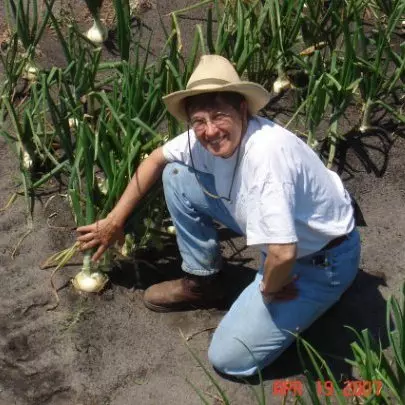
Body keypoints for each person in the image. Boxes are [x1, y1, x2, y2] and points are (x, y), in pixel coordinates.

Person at [76, 54, 361, 377]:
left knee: (228, 357)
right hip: (282, 237)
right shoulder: (203, 139)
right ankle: (203, 281)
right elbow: (155, 160)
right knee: (177, 176)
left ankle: (321, 297)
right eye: (199, 121)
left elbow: (283, 253)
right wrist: (115, 221)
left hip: (318, 261)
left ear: (242, 109)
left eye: (219, 116)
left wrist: (269, 288)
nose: (209, 130)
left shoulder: (265, 158)